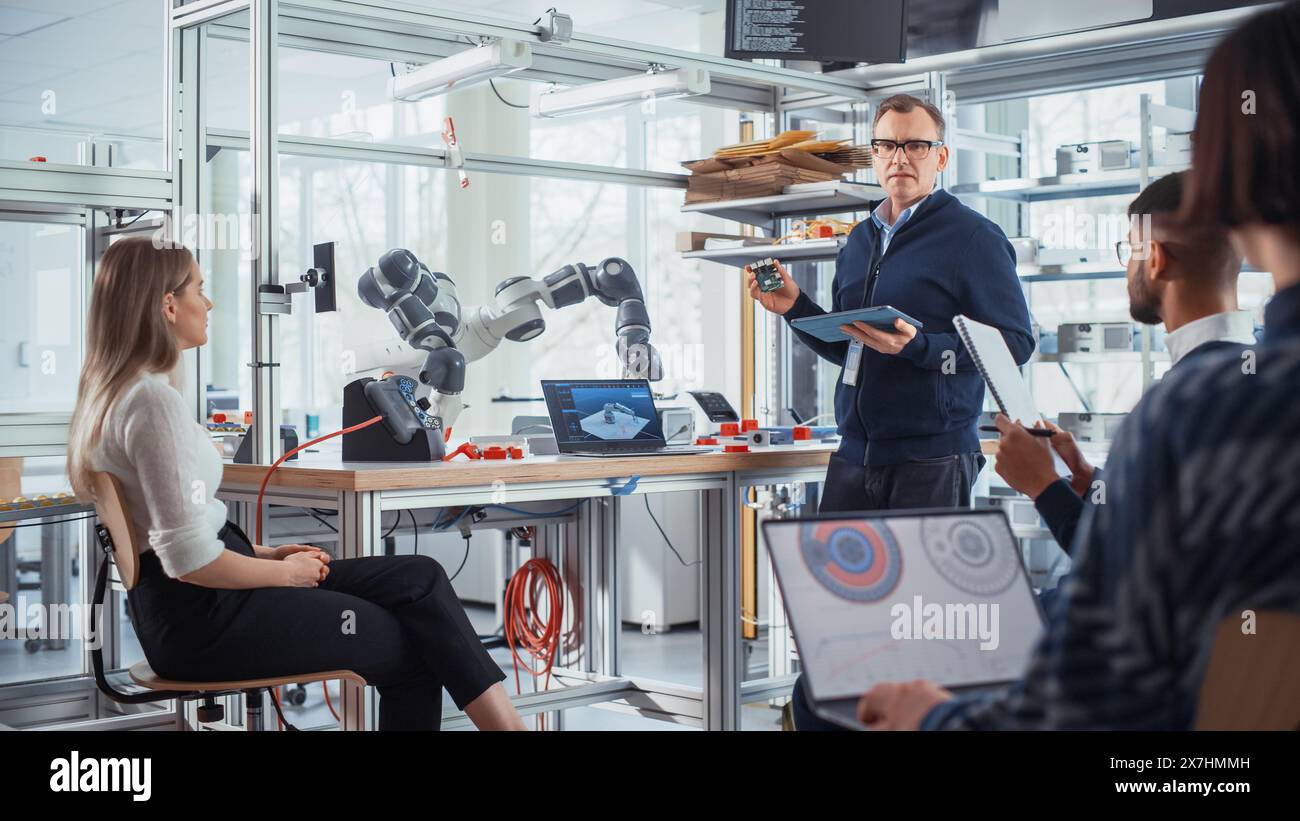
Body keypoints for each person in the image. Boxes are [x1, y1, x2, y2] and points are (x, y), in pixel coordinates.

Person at [856, 0, 1300, 730]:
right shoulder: (1216, 408)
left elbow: (1085, 704)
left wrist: (931, 719)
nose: (896, 158)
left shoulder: (1203, 413)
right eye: (884, 145)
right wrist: (1092, 492)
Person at [67, 237, 526, 731]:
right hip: (207, 624)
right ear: (168, 304)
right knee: (417, 646)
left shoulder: (116, 395)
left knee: (419, 578)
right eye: (200, 289)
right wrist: (284, 576)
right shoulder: (151, 405)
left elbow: (171, 531)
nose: (210, 302)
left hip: (193, 608)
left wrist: (266, 555)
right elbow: (189, 561)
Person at [748, 93, 1034, 515]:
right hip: (854, 455)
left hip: (933, 458)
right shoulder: (859, 242)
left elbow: (1015, 344)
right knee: (834, 582)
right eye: (887, 146)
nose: (900, 158)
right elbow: (851, 346)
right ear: (875, 156)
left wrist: (920, 347)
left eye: (916, 145)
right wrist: (795, 307)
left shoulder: (974, 238)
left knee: (921, 585)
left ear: (941, 157)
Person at [994, 171, 1256, 556]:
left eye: (1129, 250)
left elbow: (1117, 564)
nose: (1126, 267)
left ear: (1155, 259)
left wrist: (1043, 485)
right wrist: (1089, 480)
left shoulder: (1174, 404)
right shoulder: (1256, 374)